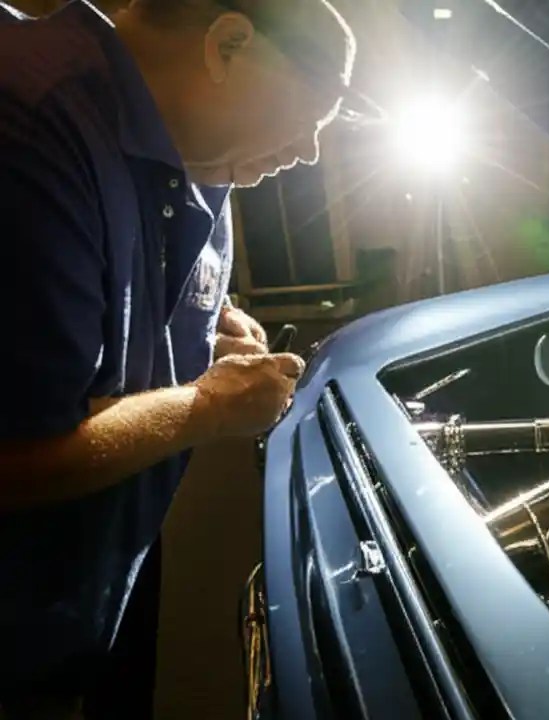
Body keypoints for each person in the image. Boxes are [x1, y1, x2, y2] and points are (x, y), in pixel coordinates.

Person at [0, 1, 371, 717]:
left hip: (101, 593)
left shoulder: (199, 149)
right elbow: (16, 457)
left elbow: (157, 289)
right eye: (312, 109)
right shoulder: (31, 126)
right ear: (227, 44)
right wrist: (208, 407)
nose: (310, 150)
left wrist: (215, 324)